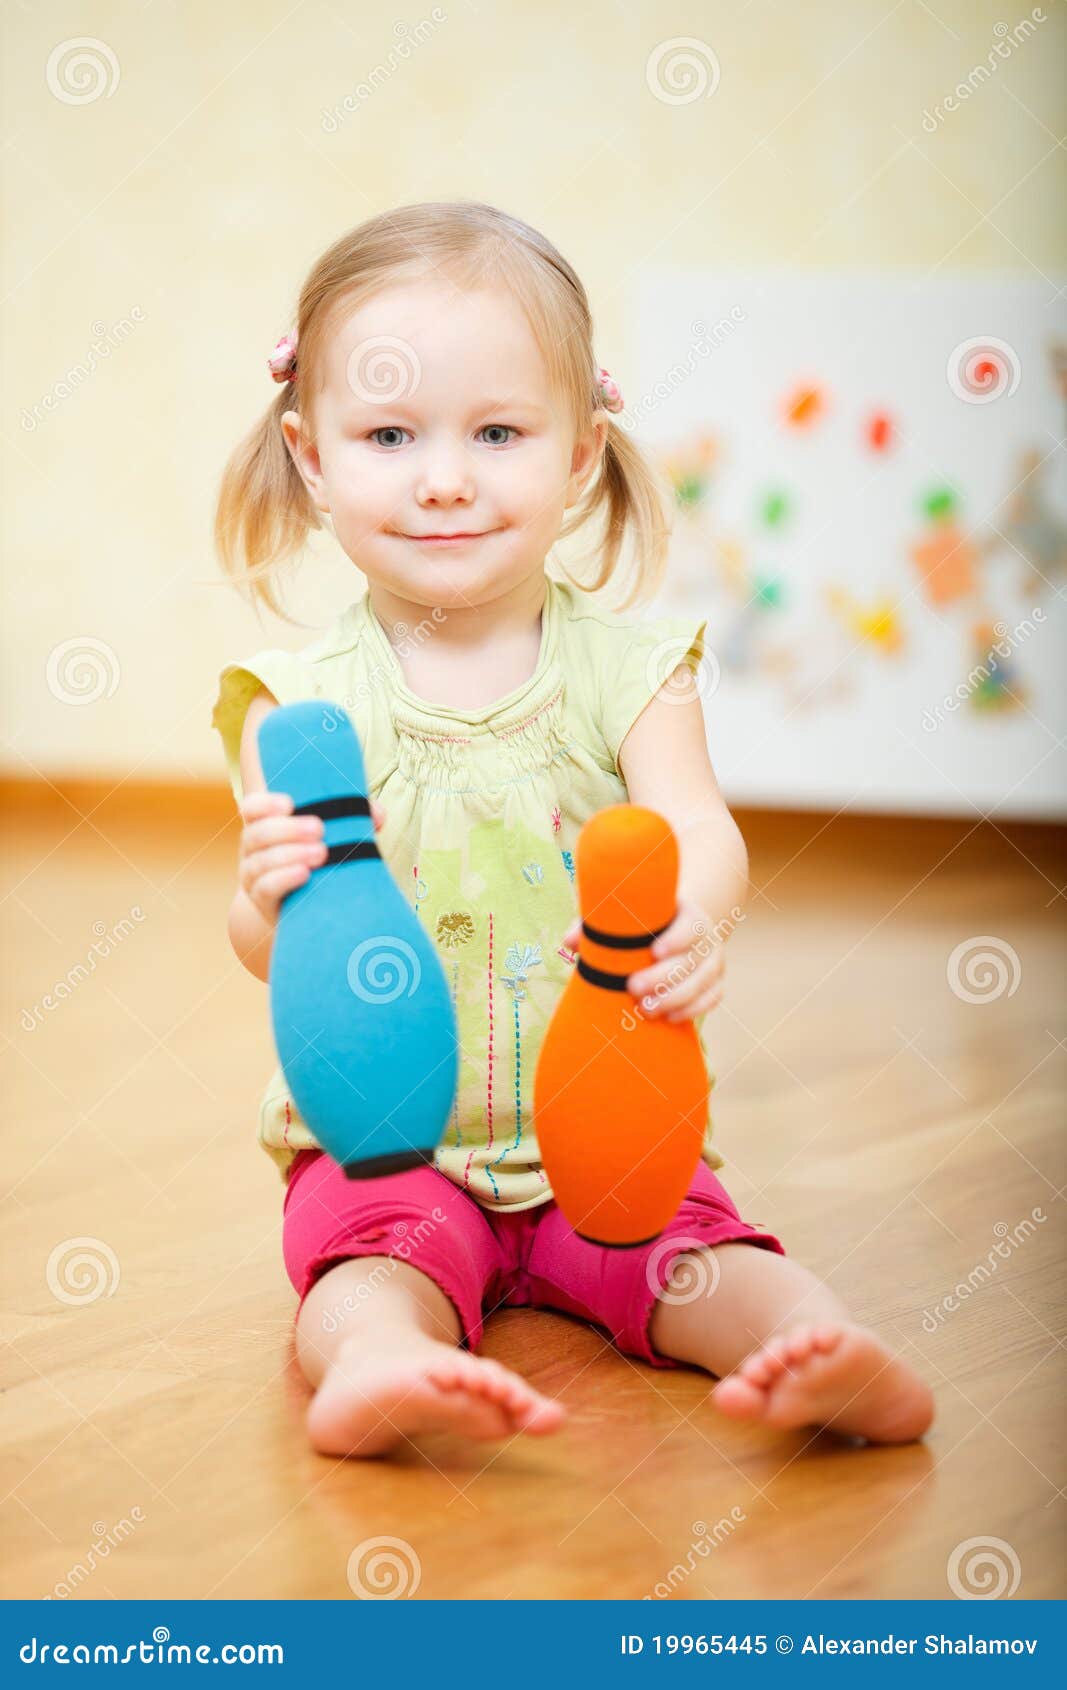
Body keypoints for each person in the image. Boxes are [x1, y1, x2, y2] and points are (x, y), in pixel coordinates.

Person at [211, 200, 934, 1459]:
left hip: (607, 1127)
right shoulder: (303, 705)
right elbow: (276, 950)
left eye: (497, 431)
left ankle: (808, 1344)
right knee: (371, 1264)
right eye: (388, 434)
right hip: (389, 1144)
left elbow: (699, 829)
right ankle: (383, 1367)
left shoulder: (633, 669)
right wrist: (265, 895)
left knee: (698, 1254)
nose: (444, 476)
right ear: (312, 457)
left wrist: (693, 916)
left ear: (582, 453)